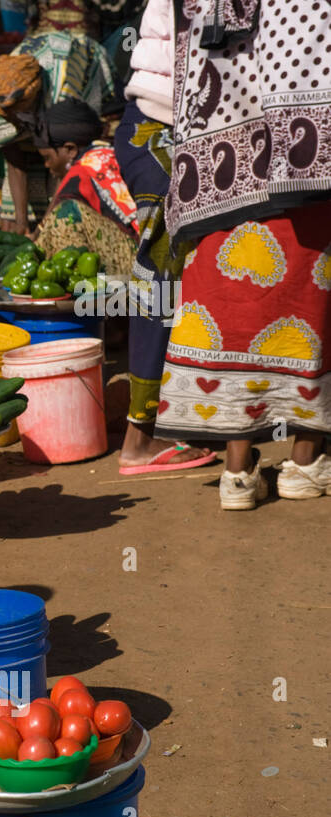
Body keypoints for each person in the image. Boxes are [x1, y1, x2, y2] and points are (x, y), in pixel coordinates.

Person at [155, 0, 331, 509]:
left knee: (230, 310)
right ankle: (302, 462)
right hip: (304, 162)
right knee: (305, 302)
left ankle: (237, 474)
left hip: (217, 167)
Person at [110, 0, 215, 474]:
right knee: (159, 275)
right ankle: (138, 441)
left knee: (182, 273)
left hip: (175, 132)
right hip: (160, 130)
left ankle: (178, 417)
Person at [0, 30, 117, 233]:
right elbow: (14, 159)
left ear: (33, 99)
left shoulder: (65, 90)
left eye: (18, 112)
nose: (12, 116)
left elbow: (65, 161)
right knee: (18, 216)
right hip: (41, 113)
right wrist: (21, 222)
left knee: (61, 167)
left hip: (82, 69)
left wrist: (44, 229)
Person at [31, 99, 137, 274]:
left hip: (131, 265)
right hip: (149, 258)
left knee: (64, 216)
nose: (46, 165)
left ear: (71, 149)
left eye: (47, 158)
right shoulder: (109, 153)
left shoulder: (81, 172)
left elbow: (49, 222)